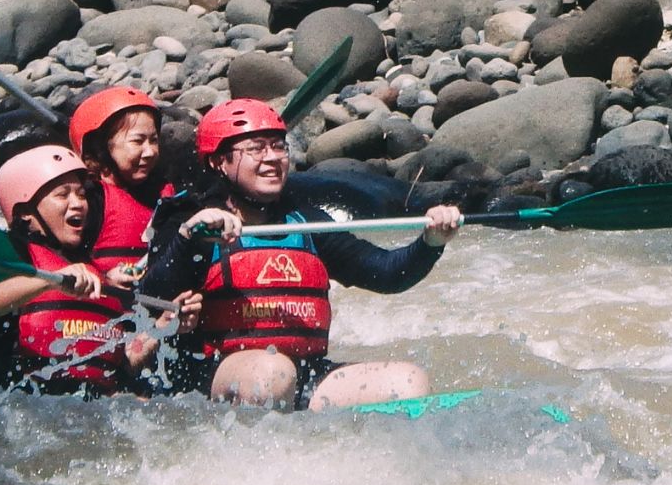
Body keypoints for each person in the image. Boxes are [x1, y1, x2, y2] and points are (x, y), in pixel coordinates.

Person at [140, 99, 460, 409]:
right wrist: (188, 239)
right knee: (273, 372)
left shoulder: (305, 221)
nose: (272, 158)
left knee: (407, 383)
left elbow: (386, 273)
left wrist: (431, 242)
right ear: (218, 161)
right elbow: (150, 296)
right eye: (255, 149)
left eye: (278, 146)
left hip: (301, 373)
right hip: (210, 375)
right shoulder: (186, 220)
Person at [0, 145, 199, 396]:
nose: (79, 204)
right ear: (25, 213)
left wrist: (161, 329)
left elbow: (119, 364)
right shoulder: (9, 256)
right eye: (63, 195)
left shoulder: (95, 273)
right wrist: (49, 282)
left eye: (82, 195)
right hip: (21, 407)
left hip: (89, 409)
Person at [67, 86, 176, 275]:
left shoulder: (166, 192)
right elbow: (62, 260)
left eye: (154, 140)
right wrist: (104, 278)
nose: (150, 152)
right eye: (137, 141)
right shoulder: (89, 201)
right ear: (101, 149)